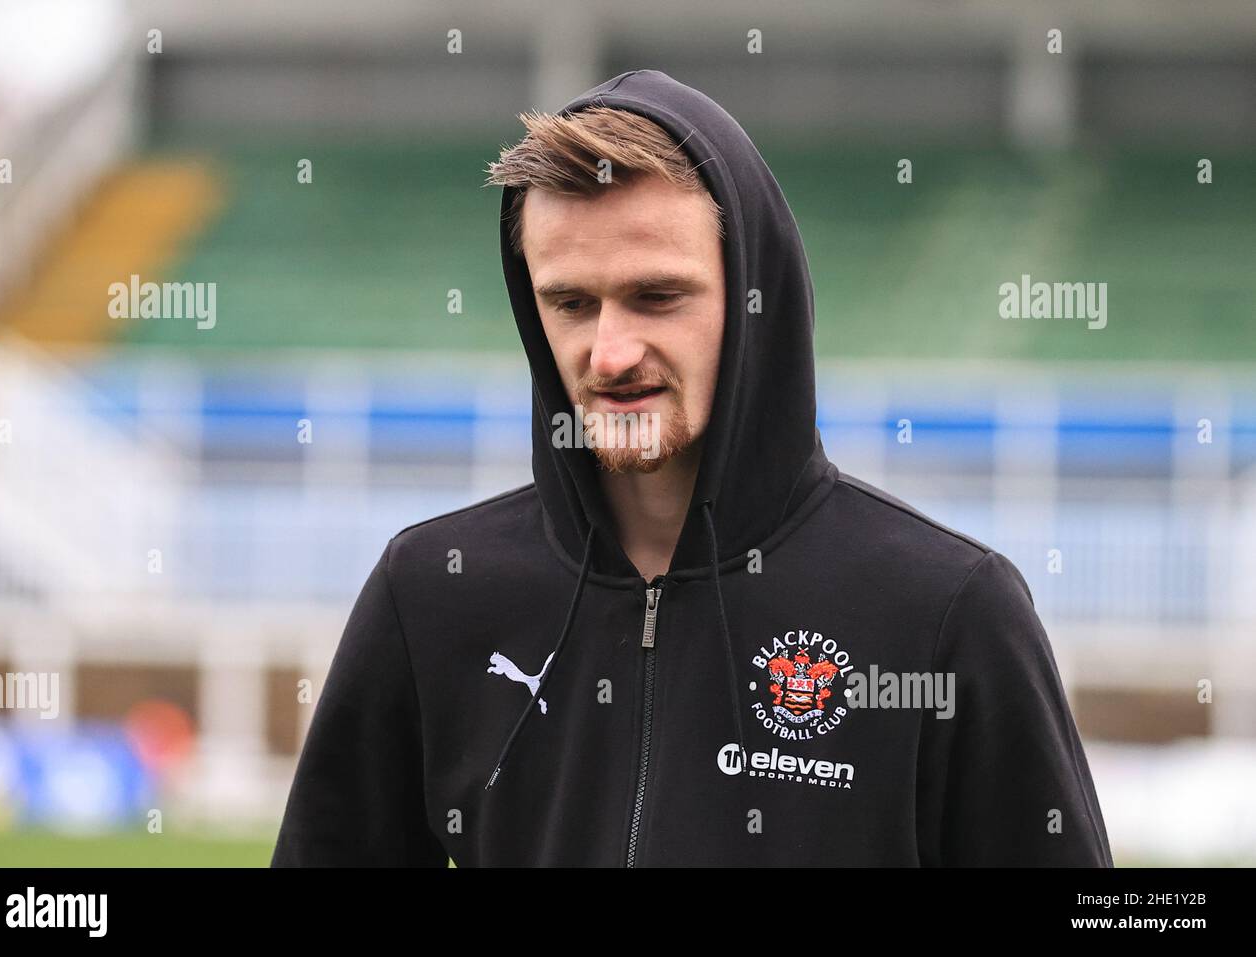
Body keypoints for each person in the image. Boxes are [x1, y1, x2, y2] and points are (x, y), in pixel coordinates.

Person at [271, 69, 1113, 867]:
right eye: (570, 303)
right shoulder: (432, 592)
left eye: (657, 297)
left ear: (756, 297)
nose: (609, 352)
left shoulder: (948, 610)